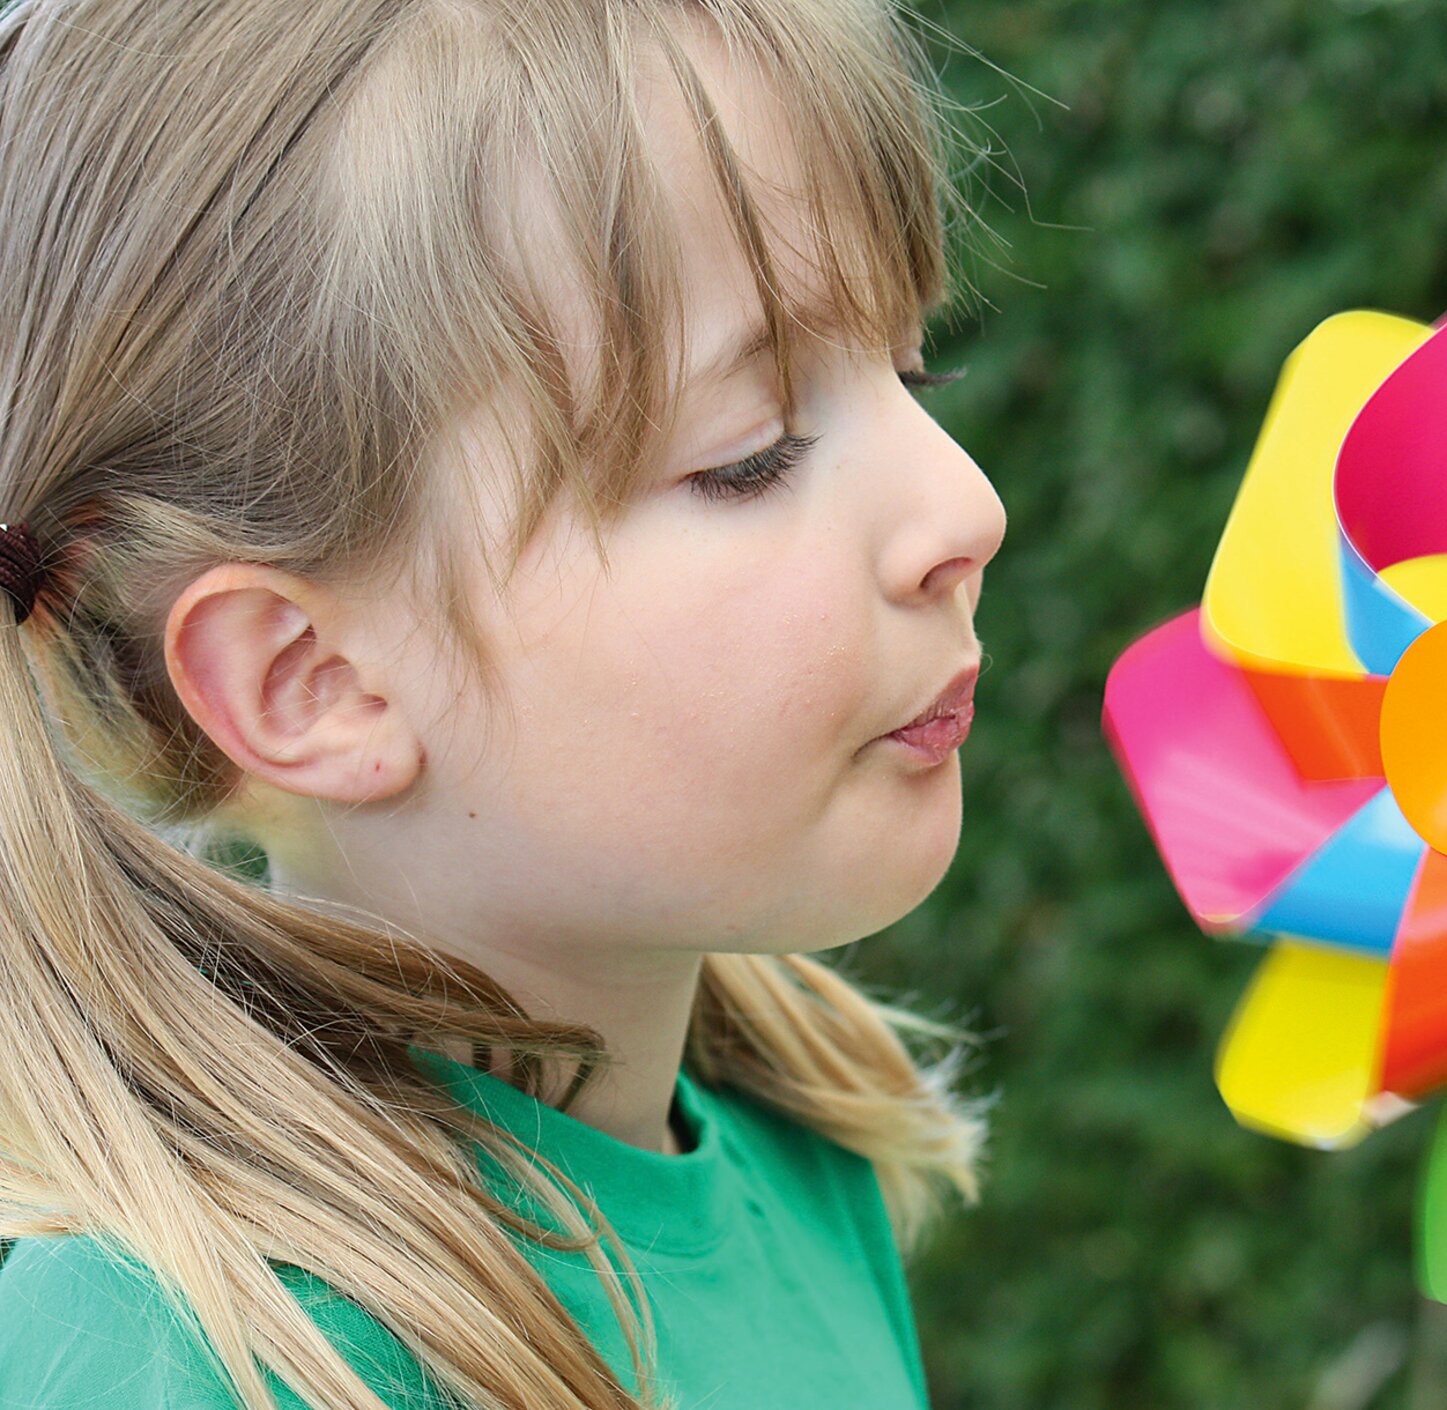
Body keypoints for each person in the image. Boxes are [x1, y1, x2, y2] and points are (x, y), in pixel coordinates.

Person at [0, 0, 1009, 1406]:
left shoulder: (816, 1167)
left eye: (915, 366)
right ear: (315, 683)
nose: (969, 504)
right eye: (753, 454)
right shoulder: (176, 1356)